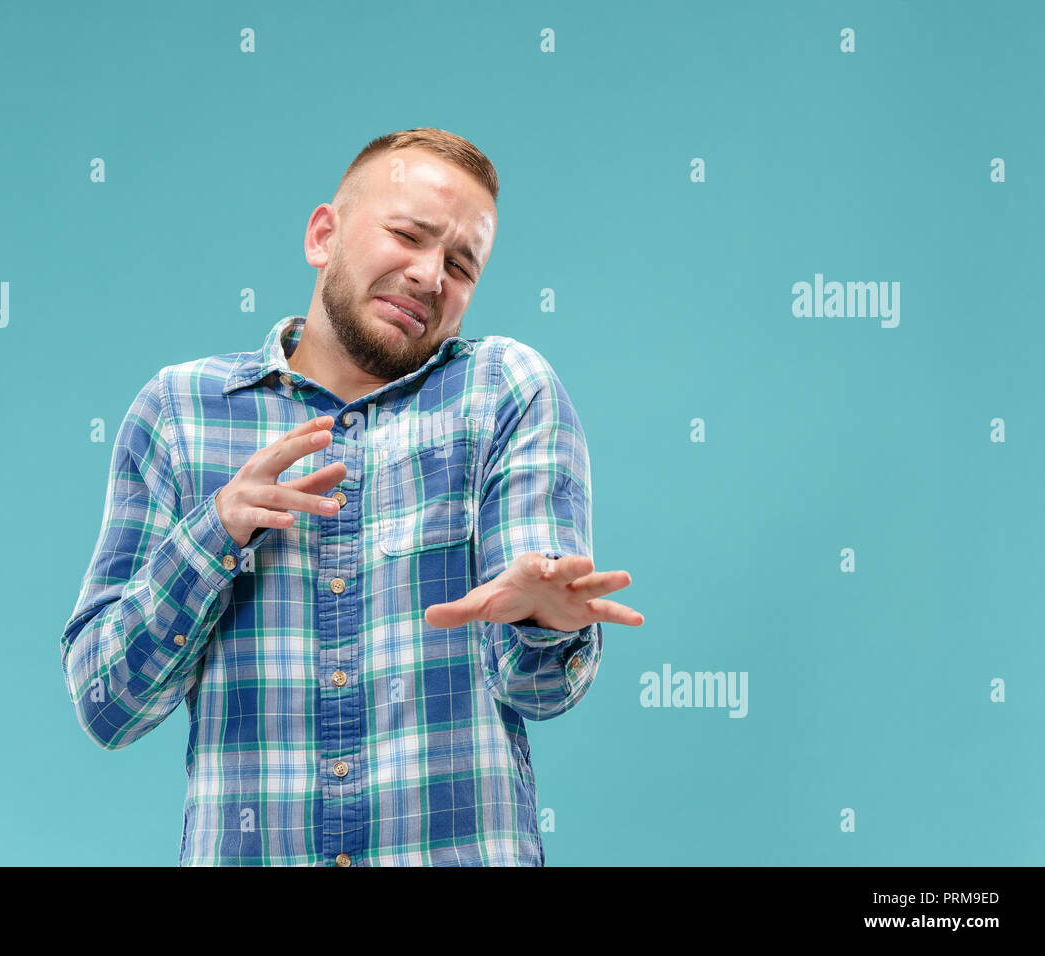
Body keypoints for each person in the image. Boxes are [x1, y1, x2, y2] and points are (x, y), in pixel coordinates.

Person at [60, 127, 644, 866]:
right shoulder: (179, 412)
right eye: (408, 235)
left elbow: (537, 692)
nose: (432, 276)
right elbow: (106, 704)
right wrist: (214, 536)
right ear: (323, 235)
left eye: (462, 265)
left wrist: (544, 624)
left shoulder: (503, 390)